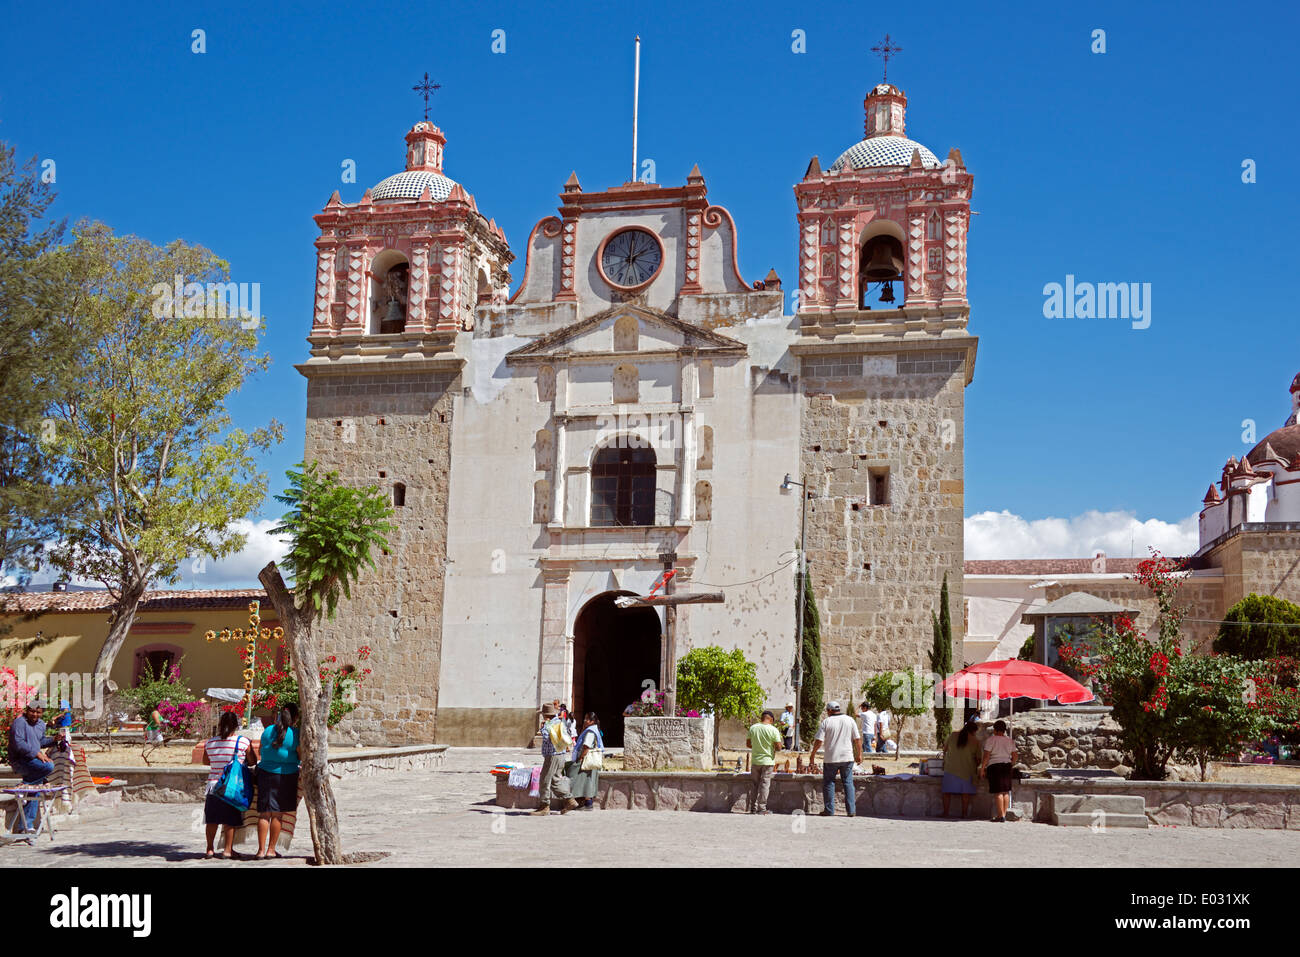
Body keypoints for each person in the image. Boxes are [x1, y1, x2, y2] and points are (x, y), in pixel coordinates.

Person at [203, 710, 251, 859]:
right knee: (229, 819)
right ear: (236, 725)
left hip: (213, 785)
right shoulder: (242, 742)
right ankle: (227, 850)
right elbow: (252, 760)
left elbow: (205, 761)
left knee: (212, 819)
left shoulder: (210, 743)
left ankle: (210, 849)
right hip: (232, 787)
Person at [255, 703, 300, 859]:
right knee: (277, 815)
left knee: (264, 814)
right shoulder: (295, 734)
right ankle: (271, 850)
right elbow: (300, 754)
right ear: (295, 718)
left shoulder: (268, 730)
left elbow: (261, 750)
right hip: (286, 776)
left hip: (265, 774)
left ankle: (260, 851)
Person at [6, 700, 56, 833]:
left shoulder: (40, 724)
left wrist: (54, 740)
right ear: (27, 711)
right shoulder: (19, 723)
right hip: (20, 761)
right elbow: (19, 743)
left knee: (35, 788)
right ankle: (24, 786)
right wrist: (37, 754)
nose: (34, 714)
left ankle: (26, 826)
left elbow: (40, 742)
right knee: (49, 767)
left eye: (38, 712)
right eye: (32, 711)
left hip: (32, 761)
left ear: (42, 713)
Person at [808, 701, 862, 817]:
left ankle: (829, 810)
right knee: (848, 783)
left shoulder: (827, 722)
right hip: (847, 757)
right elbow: (857, 739)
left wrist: (812, 754)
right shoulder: (850, 720)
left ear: (829, 710)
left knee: (828, 783)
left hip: (831, 758)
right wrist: (859, 754)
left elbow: (819, 741)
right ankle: (851, 810)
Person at [532, 704, 576, 816]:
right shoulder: (561, 722)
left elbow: (547, 737)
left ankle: (544, 806)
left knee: (544, 780)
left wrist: (543, 727)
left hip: (552, 756)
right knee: (555, 781)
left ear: (546, 715)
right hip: (561, 755)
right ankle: (570, 800)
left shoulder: (549, 724)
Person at [940, 716, 982, 818]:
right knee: (965, 794)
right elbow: (978, 759)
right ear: (973, 731)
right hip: (967, 771)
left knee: (947, 792)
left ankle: (945, 813)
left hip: (950, 769)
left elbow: (944, 749)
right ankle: (964, 814)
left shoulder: (953, 735)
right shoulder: (975, 741)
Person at [746, 711, 783, 814]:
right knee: (765, 784)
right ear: (771, 719)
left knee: (754, 784)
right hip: (768, 761)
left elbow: (748, 744)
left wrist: (758, 747)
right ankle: (762, 808)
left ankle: (753, 808)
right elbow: (779, 747)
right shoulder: (773, 730)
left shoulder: (753, 728)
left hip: (755, 760)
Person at [980, 718, 1017, 822]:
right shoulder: (1010, 740)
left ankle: (1000, 816)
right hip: (1006, 766)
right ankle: (1003, 814)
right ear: (1005, 730)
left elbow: (986, 756)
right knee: (1005, 791)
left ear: (995, 730)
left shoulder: (991, 740)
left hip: (995, 766)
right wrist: (1011, 763)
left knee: (998, 791)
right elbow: (1015, 755)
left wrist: (982, 769)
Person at [566, 712, 603, 810]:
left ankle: (586, 803)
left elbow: (586, 746)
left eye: (587, 719)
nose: (585, 721)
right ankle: (586, 802)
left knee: (579, 778)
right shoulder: (593, 730)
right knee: (587, 781)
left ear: (592, 721)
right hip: (590, 761)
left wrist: (581, 758)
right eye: (585, 719)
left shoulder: (590, 732)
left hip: (586, 760)